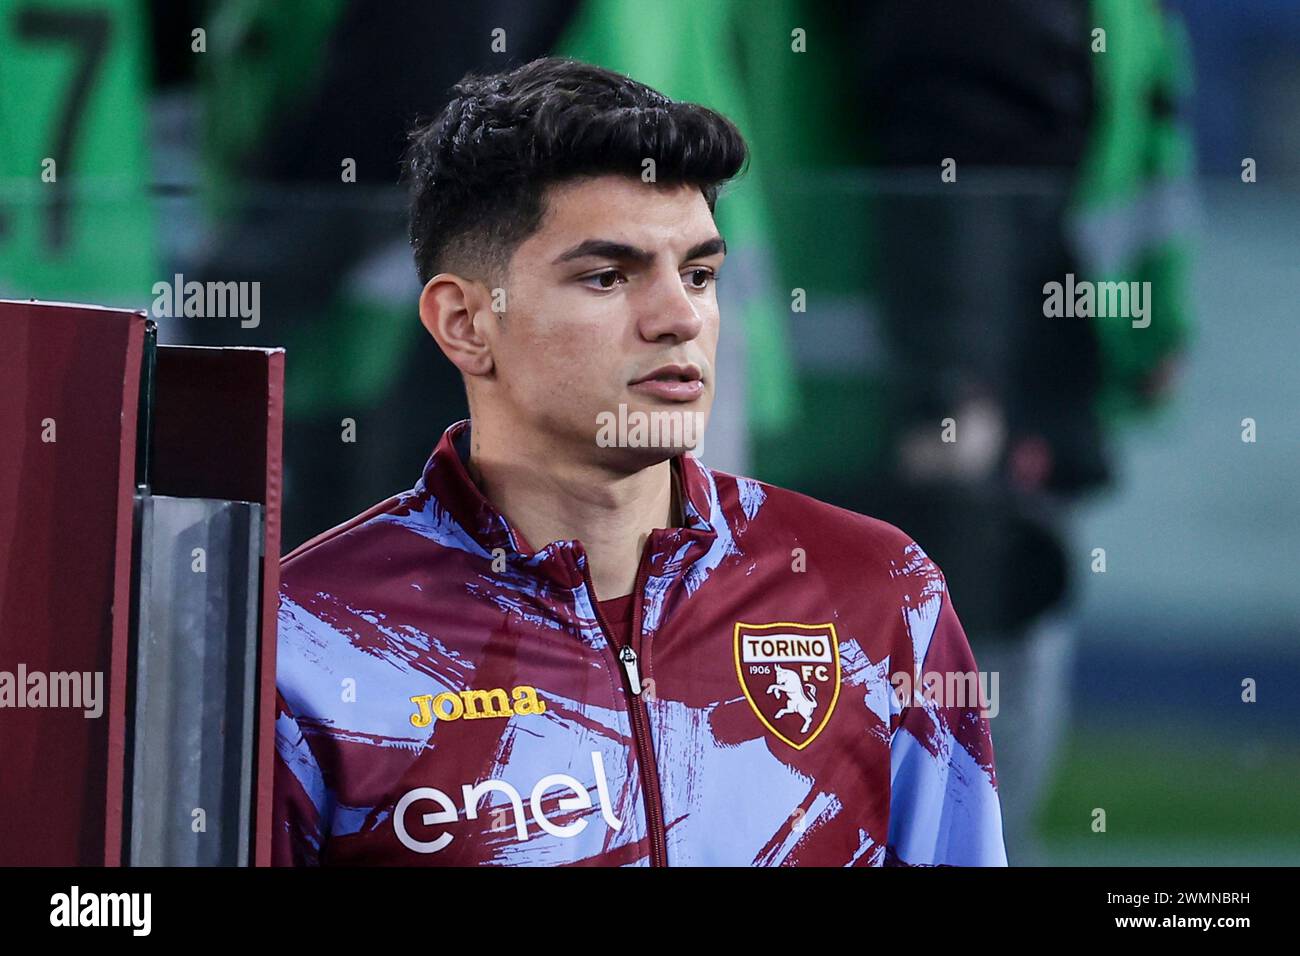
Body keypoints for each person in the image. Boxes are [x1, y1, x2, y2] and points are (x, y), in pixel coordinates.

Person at [271, 57, 1006, 867]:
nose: (679, 316)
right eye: (607, 277)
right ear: (465, 324)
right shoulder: (304, 641)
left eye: (699, 273)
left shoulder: (877, 592)